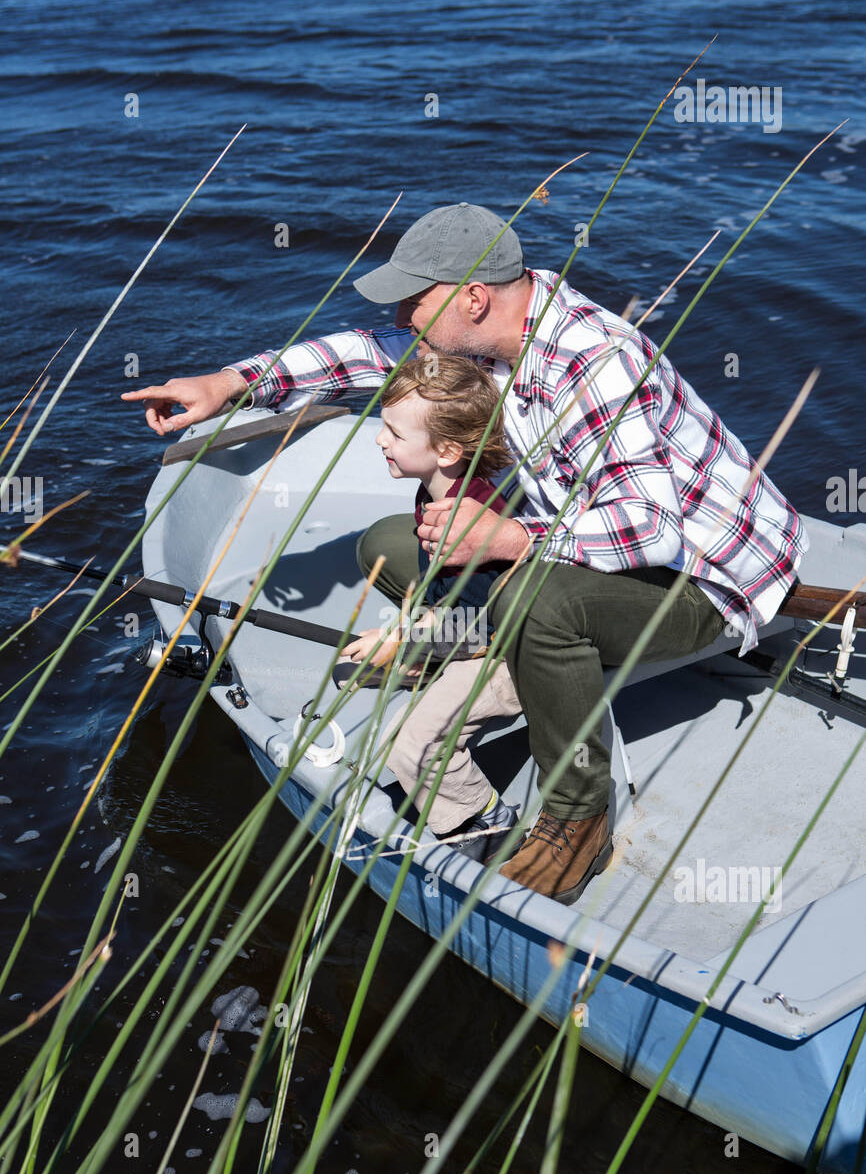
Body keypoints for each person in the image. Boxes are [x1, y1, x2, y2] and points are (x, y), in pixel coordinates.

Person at [122, 202, 808, 905]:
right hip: (584, 547)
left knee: (528, 598)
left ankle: (576, 818)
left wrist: (512, 540)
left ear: (473, 298)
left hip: (701, 580)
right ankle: (469, 643)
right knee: (393, 545)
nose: (400, 323)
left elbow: (649, 527)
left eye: (412, 305)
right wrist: (231, 384)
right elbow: (364, 354)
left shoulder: (597, 363)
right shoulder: (488, 336)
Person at [341, 354, 525, 864]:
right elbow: (446, 590)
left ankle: (486, 820)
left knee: (412, 750)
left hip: (509, 653)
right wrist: (412, 630)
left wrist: (403, 642)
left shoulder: (473, 518)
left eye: (395, 434)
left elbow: (485, 627)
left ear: (446, 449)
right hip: (471, 632)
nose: (381, 440)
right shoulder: (437, 492)